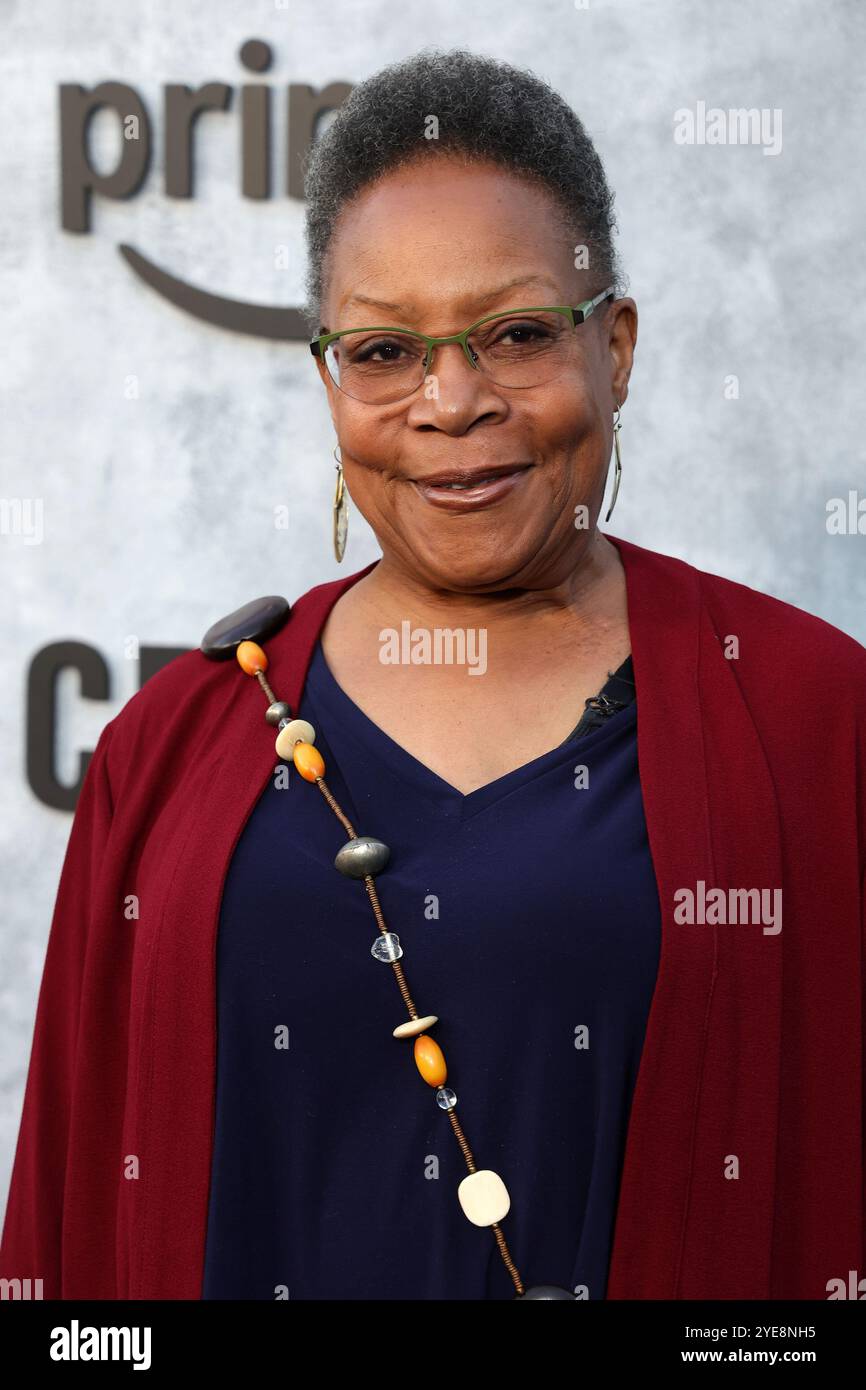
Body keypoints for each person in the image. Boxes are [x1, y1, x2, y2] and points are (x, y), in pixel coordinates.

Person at [1, 48, 864, 1302]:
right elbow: (72, 1235)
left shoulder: (809, 718)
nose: (450, 401)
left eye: (515, 334)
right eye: (384, 350)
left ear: (612, 349)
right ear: (327, 380)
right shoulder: (173, 743)